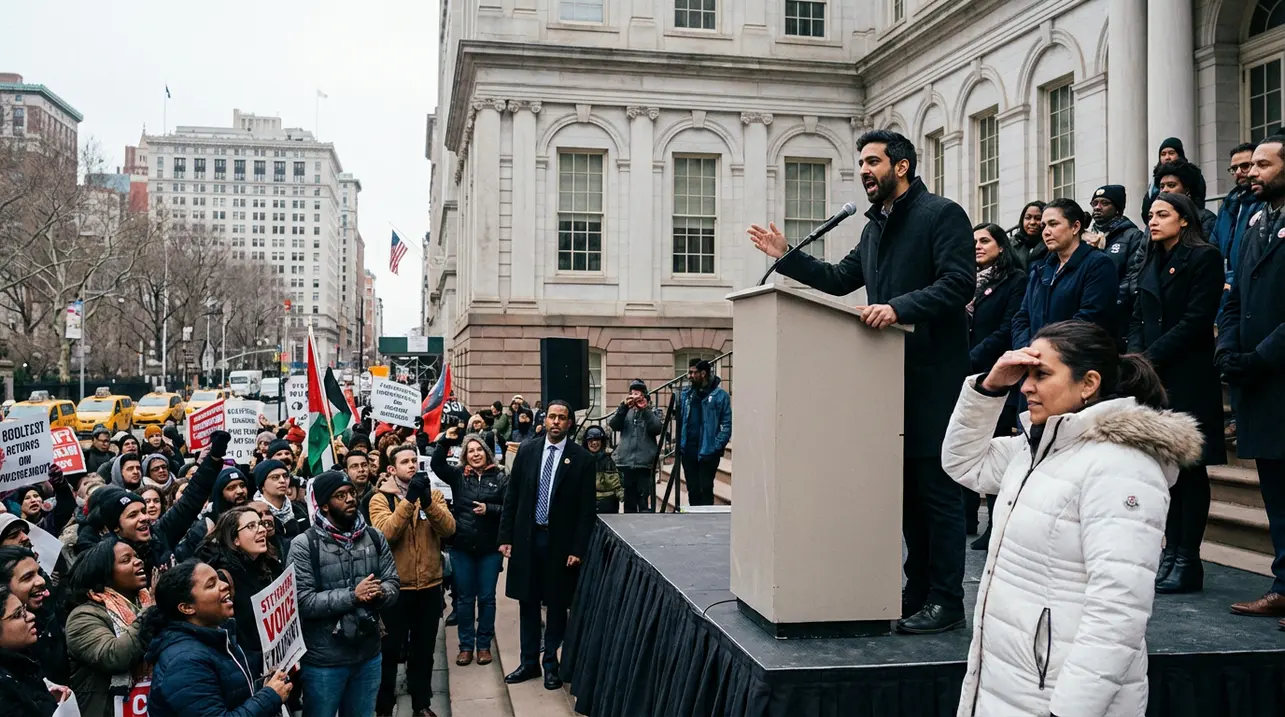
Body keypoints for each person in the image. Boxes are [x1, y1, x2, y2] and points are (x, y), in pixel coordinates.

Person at [747, 128, 974, 634]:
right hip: (885, 381)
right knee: (907, 497)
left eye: (872, 162)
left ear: (903, 166)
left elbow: (959, 284)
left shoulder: (942, 214)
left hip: (932, 379)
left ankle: (947, 599)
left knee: (936, 493)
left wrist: (897, 309)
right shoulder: (876, 228)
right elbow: (837, 280)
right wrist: (786, 255)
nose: (865, 172)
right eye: (862, 164)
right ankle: (917, 590)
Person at [946, 320, 1197, 716]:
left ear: (1088, 383)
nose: (1025, 386)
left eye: (1041, 374)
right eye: (1025, 374)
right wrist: (990, 386)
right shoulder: (1036, 450)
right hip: (1009, 685)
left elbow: (1118, 612)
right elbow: (963, 462)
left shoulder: (1121, 467)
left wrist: (1070, 711)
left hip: (1059, 697)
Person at [1127, 192, 1226, 594]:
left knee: (1189, 468)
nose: (1153, 221)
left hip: (1188, 374)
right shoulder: (1151, 258)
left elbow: (1196, 320)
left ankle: (1189, 558)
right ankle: (1169, 554)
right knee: (1164, 470)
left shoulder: (1204, 257)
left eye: (1163, 214)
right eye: (1150, 215)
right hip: (1154, 378)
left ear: (1184, 219)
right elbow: (1137, 315)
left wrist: (1149, 355)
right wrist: (1135, 358)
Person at [1217, 134, 1285, 621]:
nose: (1252, 172)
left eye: (1264, 164)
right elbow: (1237, 292)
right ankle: (1284, 583)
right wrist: (1227, 347)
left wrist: (1260, 357)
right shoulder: (1256, 219)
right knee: (1275, 494)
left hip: (1277, 372)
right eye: (1252, 164)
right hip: (1257, 383)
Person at [499, 401, 596, 690]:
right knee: (527, 600)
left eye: (561, 418)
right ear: (545, 420)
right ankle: (528, 661)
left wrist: (578, 549)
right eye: (551, 416)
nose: (555, 422)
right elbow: (512, 497)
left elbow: (586, 510)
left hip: (560, 543)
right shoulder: (527, 451)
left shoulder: (581, 459)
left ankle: (551, 663)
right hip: (528, 538)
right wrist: (505, 538)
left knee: (556, 603)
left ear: (569, 423)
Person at [289, 471, 399, 717]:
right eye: (340, 495)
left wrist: (381, 592)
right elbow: (303, 601)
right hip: (325, 661)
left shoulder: (374, 536)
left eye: (351, 493)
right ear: (325, 505)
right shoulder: (304, 544)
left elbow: (393, 582)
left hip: (368, 654)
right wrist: (353, 596)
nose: (350, 499)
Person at [142, 560, 292, 717]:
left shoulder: (217, 636)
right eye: (211, 585)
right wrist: (270, 697)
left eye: (218, 578)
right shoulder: (184, 662)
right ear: (187, 608)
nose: (224, 585)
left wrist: (263, 687)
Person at [368, 444, 454, 717]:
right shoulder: (379, 499)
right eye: (405, 461)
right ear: (392, 469)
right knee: (390, 650)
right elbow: (386, 534)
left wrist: (427, 501)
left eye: (414, 460)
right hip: (395, 589)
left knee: (424, 649)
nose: (412, 465)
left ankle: (421, 704)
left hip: (428, 586)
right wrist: (408, 502)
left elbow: (449, 528)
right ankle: (384, 706)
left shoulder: (434, 495)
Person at [74, 431, 229, 579]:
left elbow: (190, 499)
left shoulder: (159, 534)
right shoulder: (105, 558)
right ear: (116, 526)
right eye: (133, 515)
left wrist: (213, 459)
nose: (144, 517)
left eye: (143, 511)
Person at [964, 223, 1027, 547]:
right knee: (973, 440)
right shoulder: (968, 282)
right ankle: (967, 514)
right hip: (970, 371)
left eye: (985, 241)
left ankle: (996, 524)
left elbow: (1006, 329)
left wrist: (973, 358)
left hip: (998, 372)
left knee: (997, 445)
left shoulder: (1014, 280)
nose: (977, 246)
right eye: (973, 241)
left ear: (1002, 246)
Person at [432, 425, 507, 669]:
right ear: (465, 455)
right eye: (470, 451)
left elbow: (510, 510)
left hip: (489, 549)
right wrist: (444, 441)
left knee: (486, 598)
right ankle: (466, 646)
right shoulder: (457, 476)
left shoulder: (500, 477)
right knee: (464, 599)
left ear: (486, 452)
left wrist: (490, 510)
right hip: (462, 547)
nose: (475, 454)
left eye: (479, 450)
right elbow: (436, 465)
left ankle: (483, 644)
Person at [1011, 198, 1119, 350]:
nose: (1046, 232)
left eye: (1053, 224)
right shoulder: (1040, 269)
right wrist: (1025, 349)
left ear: (1075, 227)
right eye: (1044, 226)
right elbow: (1022, 317)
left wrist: (1046, 351)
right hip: (1035, 360)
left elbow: (1089, 319)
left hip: (1077, 361)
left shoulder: (1098, 264)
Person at [64, 539, 152, 717]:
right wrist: (150, 614)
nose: (138, 561)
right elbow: (113, 656)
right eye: (126, 560)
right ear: (105, 575)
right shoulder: (83, 617)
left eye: (136, 556)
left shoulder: (147, 603)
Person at [196, 506, 281, 675]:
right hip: (246, 670)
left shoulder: (269, 566)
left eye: (261, 524)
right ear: (235, 539)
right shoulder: (223, 577)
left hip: (275, 664)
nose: (262, 530)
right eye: (251, 526)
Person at [1087, 184, 1147, 343]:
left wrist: (1107, 301)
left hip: (1119, 316)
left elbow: (1132, 275)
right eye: (1095, 203)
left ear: (1118, 209)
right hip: (1090, 315)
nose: (1098, 208)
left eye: (1104, 203)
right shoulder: (1085, 237)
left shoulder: (1133, 236)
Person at [0, 585, 69, 717]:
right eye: (18, 614)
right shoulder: (4, 686)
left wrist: (46, 700)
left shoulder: (23, 662)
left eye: (25, 610)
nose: (31, 616)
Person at [675, 360, 731, 507]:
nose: (690, 376)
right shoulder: (687, 395)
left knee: (705, 489)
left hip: (708, 451)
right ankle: (694, 524)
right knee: (692, 490)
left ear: (703, 373)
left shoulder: (720, 396)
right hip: (689, 450)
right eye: (690, 372)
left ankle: (706, 522)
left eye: (694, 372)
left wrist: (716, 446)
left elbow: (727, 424)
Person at [608, 379, 662, 513]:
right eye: (633, 393)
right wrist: (624, 408)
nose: (635, 396)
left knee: (643, 501)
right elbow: (614, 425)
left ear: (644, 395)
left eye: (638, 393)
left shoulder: (652, 412)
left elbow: (656, 428)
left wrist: (645, 410)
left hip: (644, 464)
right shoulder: (625, 411)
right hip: (626, 463)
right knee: (629, 503)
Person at [1153, 160, 1218, 237]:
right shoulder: (1154, 219)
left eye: (1171, 185)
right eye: (1161, 187)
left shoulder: (1205, 219)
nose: (1164, 190)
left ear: (1187, 191)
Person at [253, 459, 309, 539]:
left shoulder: (301, 509)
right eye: (275, 477)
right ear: (262, 485)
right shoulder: (253, 513)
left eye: (286, 476)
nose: (282, 481)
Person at [582, 426, 622, 514]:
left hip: (607, 503)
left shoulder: (610, 460)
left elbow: (617, 486)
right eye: (591, 440)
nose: (594, 443)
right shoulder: (580, 460)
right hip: (586, 502)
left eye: (597, 439)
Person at [1009, 200, 1048, 272]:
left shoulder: (1051, 244)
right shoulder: (1013, 244)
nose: (1032, 222)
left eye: (1038, 218)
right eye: (1028, 218)